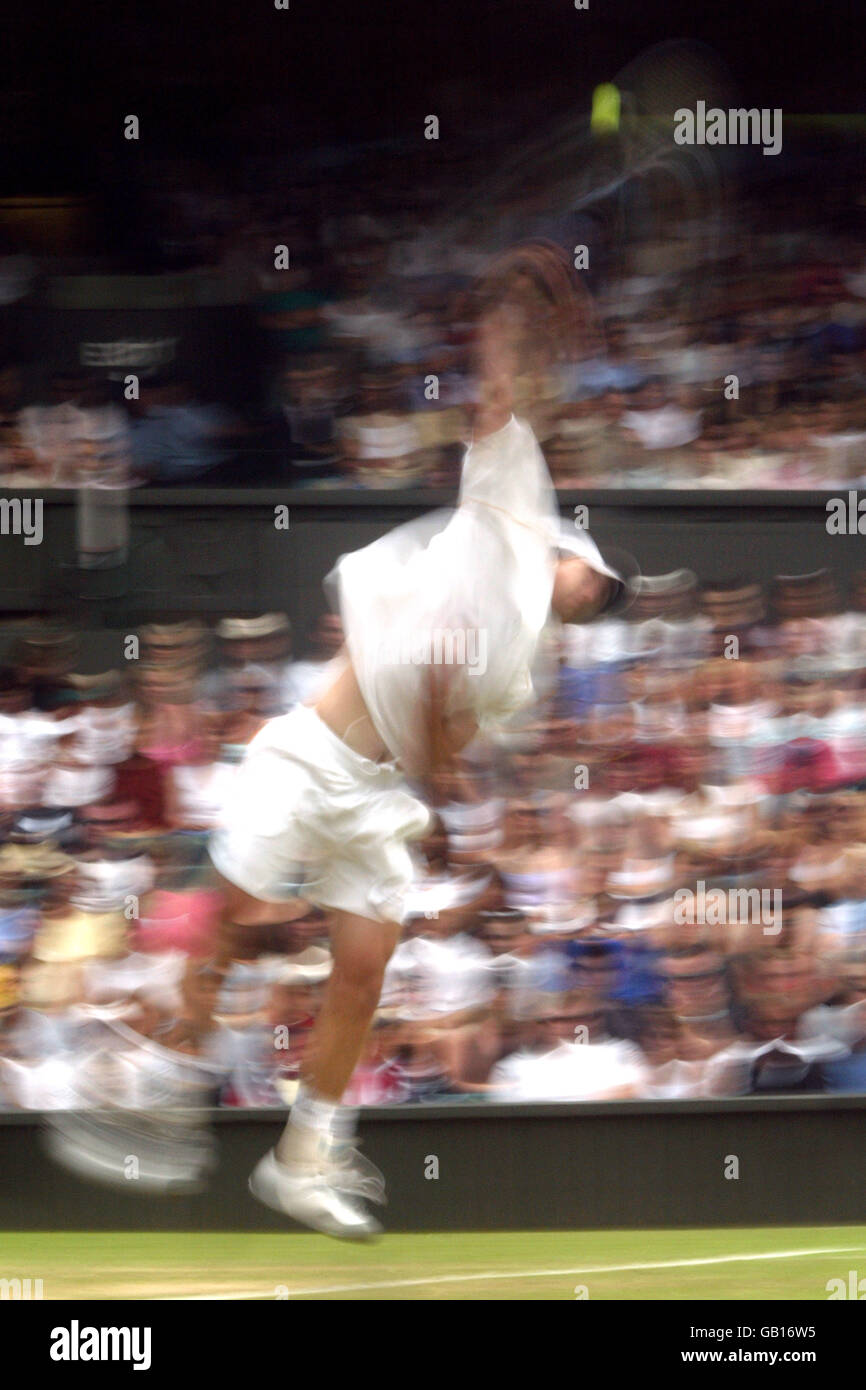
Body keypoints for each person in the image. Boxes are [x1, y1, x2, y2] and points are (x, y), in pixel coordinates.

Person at [207, 243, 624, 1238]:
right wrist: (505, 313)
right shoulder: (515, 514)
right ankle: (144, 1069)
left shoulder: (519, 674)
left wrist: (434, 807)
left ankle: (304, 1158)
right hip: (325, 751)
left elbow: (442, 732)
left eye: (600, 595)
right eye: (590, 574)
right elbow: (492, 401)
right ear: (562, 552)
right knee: (247, 918)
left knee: (362, 974)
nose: (592, 591)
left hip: (384, 790)